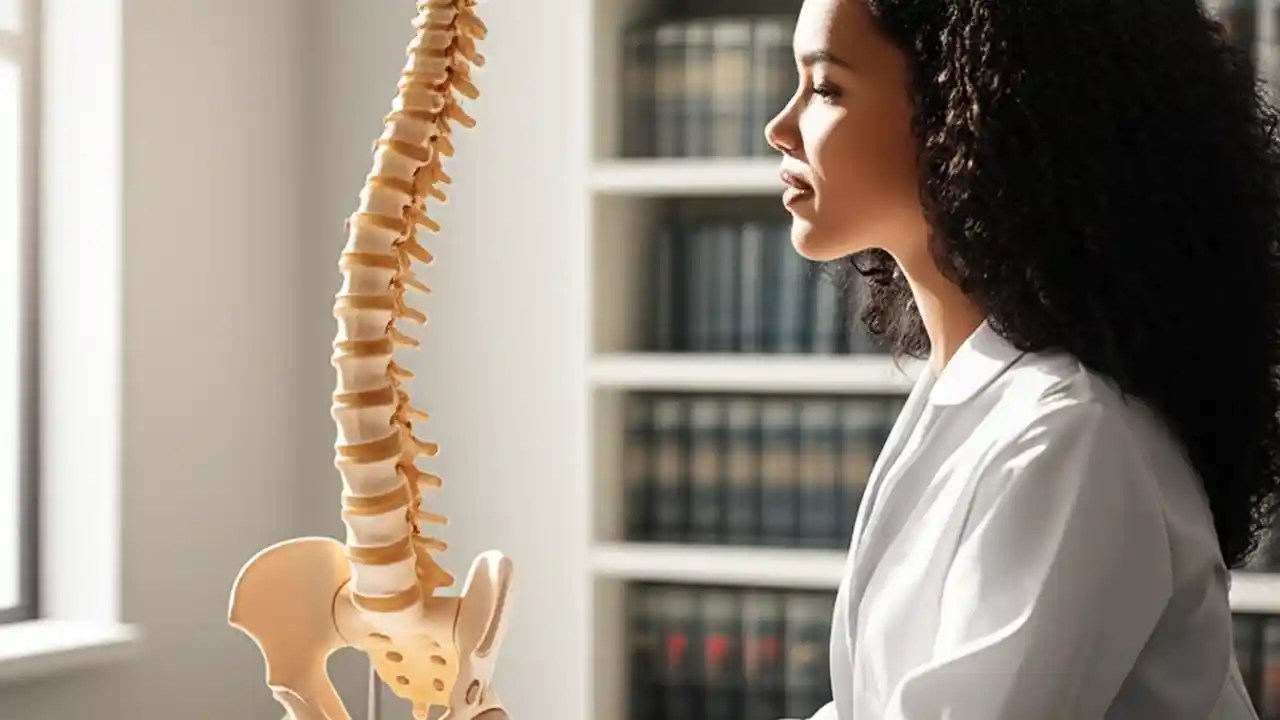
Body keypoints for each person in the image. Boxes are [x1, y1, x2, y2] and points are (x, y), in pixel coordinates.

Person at [764, 0, 1280, 718]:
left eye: (826, 87)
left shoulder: (1074, 434)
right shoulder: (976, 389)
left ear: (963, 109)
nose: (779, 127)